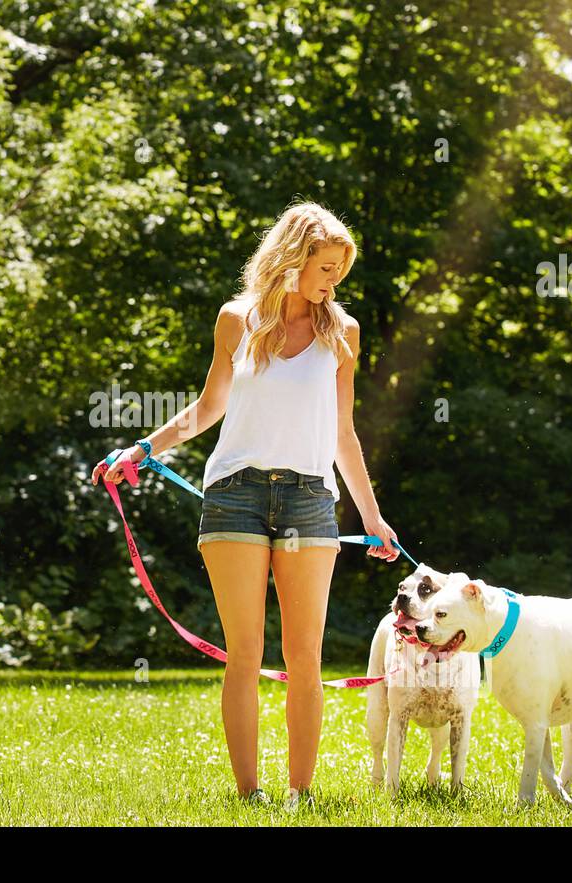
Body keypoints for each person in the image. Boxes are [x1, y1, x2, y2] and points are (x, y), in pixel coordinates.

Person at [91, 201, 400, 812]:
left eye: (340, 270)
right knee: (246, 653)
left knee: (304, 655)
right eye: (326, 267)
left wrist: (371, 516)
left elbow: (343, 433)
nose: (333, 280)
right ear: (293, 256)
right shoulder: (238, 320)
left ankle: (301, 796)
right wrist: (143, 448)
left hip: (312, 498)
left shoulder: (343, 334)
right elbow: (208, 409)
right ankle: (249, 795)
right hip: (235, 495)